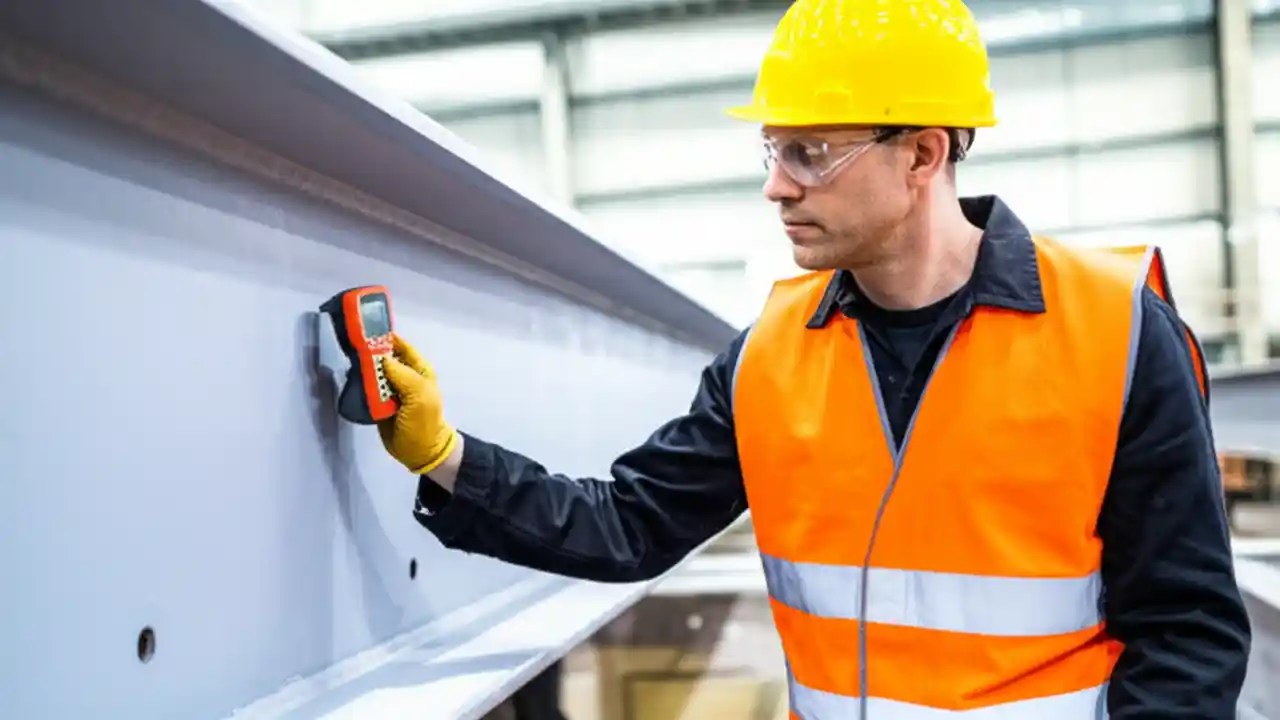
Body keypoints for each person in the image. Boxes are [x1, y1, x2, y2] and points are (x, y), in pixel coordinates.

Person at [374, 0, 1252, 717]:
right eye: (773, 149)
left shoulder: (1115, 329)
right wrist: (444, 458)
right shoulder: (770, 355)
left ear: (922, 152)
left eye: (811, 153)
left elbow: (1188, 632)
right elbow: (630, 526)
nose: (777, 184)